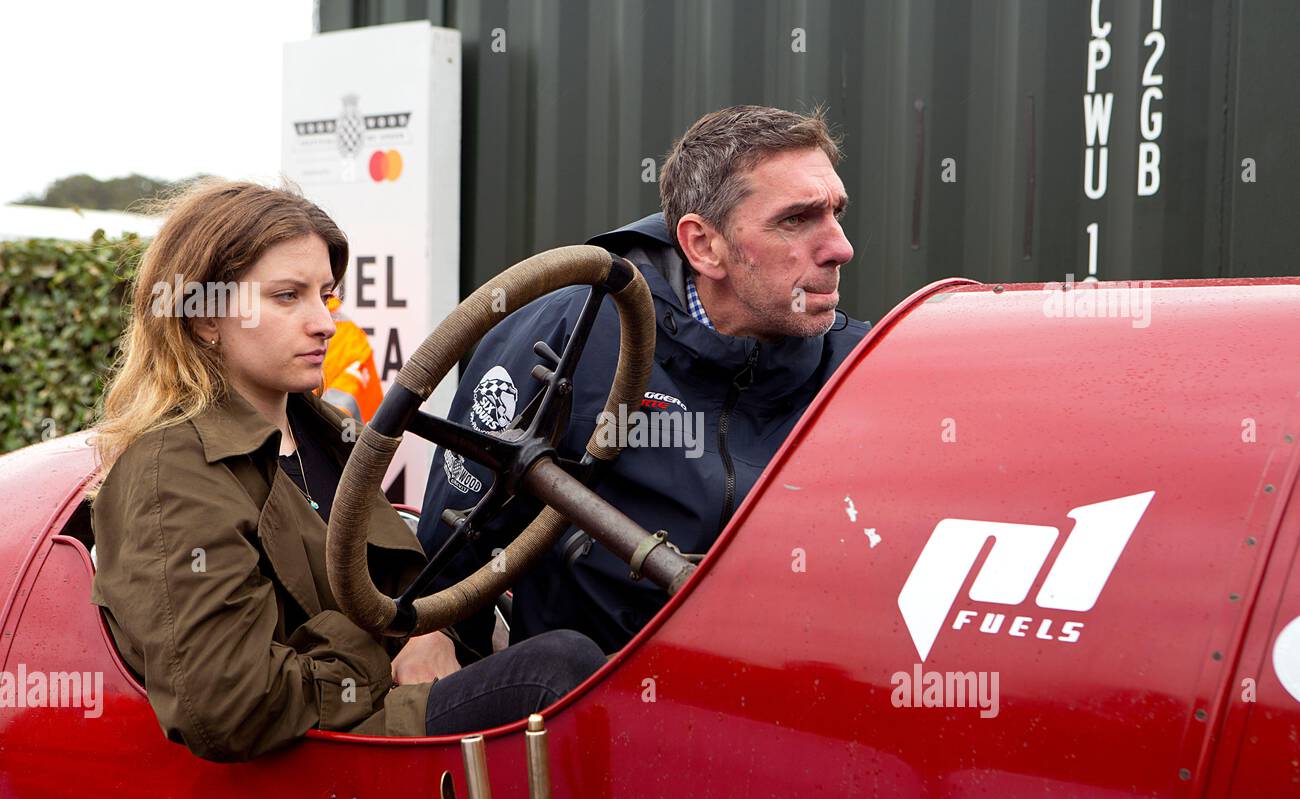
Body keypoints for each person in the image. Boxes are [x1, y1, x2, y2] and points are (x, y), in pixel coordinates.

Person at [88, 179, 606, 762]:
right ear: (206, 318)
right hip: (326, 755)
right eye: (287, 296)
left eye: (325, 294)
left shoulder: (327, 434)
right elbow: (224, 705)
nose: (325, 324)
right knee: (558, 668)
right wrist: (387, 644)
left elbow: (391, 586)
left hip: (383, 712)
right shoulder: (172, 469)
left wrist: (427, 629)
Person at [418, 104, 869, 657]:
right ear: (704, 245)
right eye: (796, 220)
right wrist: (434, 633)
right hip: (591, 697)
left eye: (835, 212)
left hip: (790, 690)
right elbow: (454, 535)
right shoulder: (572, 333)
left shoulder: (865, 365)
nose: (840, 247)